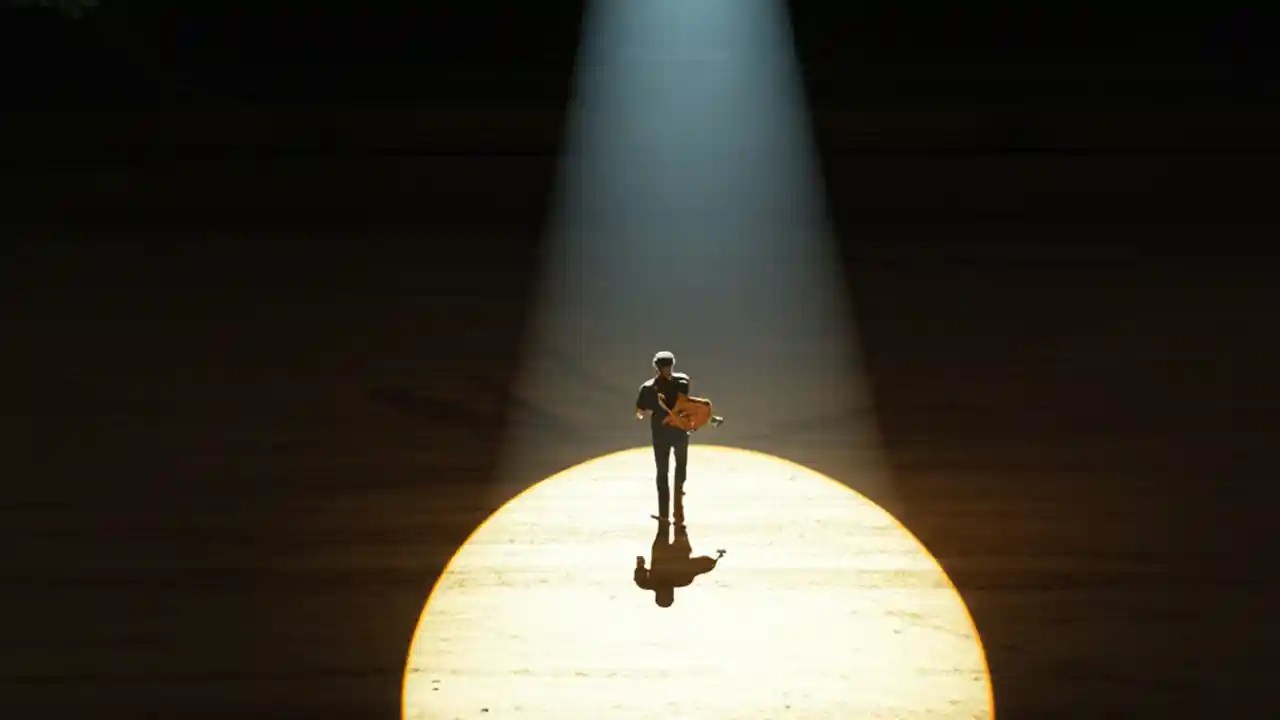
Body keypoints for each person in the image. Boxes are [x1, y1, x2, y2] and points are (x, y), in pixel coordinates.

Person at [634, 351, 692, 523]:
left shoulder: (647, 388)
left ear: (656, 367)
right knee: (678, 466)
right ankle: (677, 501)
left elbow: (640, 411)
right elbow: (685, 402)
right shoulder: (682, 381)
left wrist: (643, 413)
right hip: (679, 430)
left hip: (661, 433)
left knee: (662, 471)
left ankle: (665, 511)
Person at [633, 519, 726, 608]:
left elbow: (697, 567)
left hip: (668, 551)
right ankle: (674, 528)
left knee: (663, 548)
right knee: (669, 547)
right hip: (676, 550)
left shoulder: (650, 583)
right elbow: (696, 567)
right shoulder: (682, 580)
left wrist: (640, 565)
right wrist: (711, 562)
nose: (666, 590)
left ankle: (669, 528)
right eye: (668, 593)